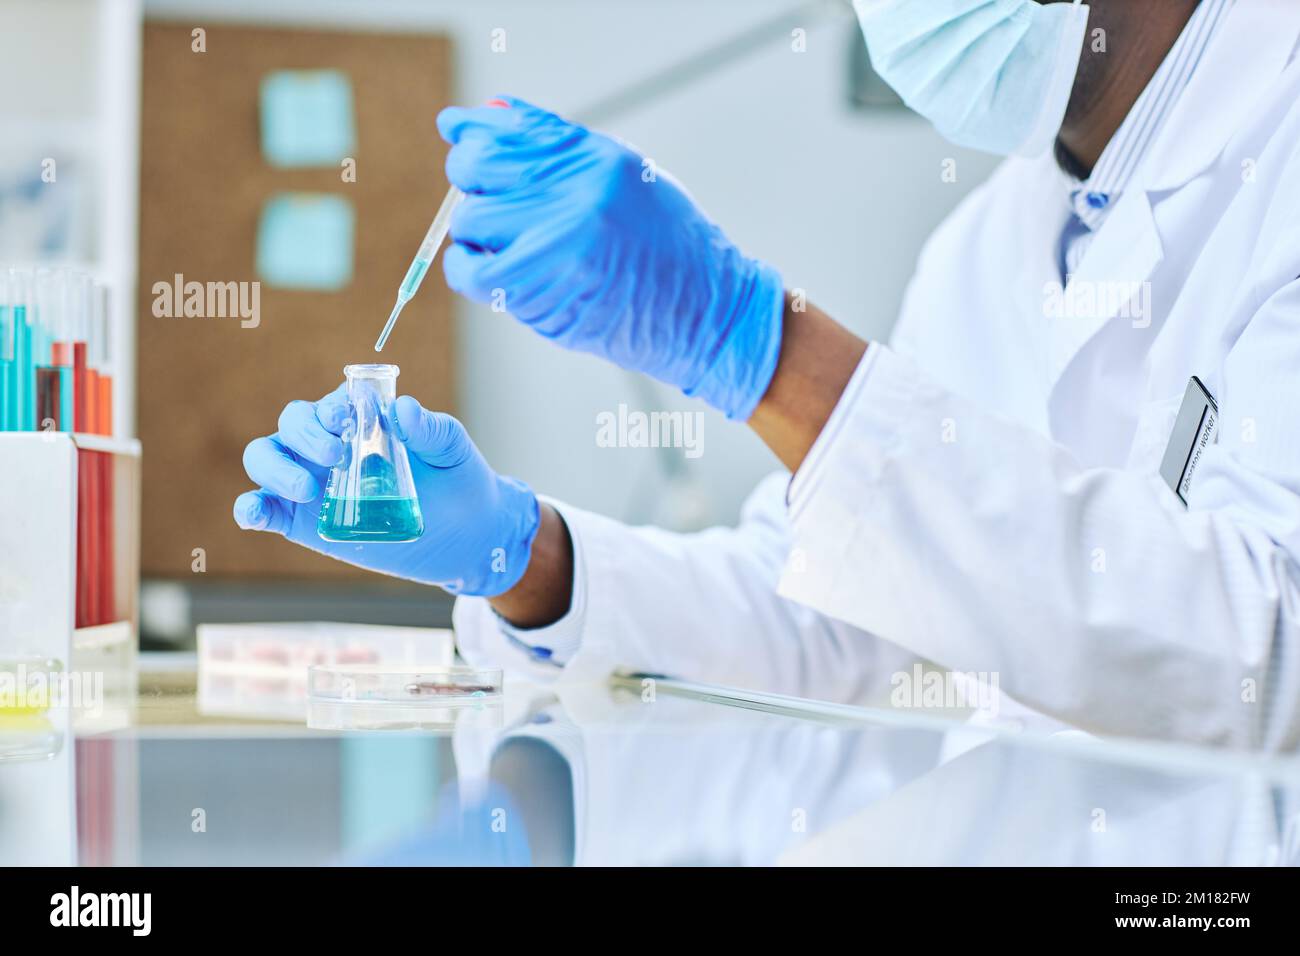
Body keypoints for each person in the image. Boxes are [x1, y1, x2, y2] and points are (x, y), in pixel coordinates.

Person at [235, 0, 1300, 750]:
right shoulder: (989, 242)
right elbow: (835, 622)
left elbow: (1264, 664)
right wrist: (528, 556)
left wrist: (760, 344)